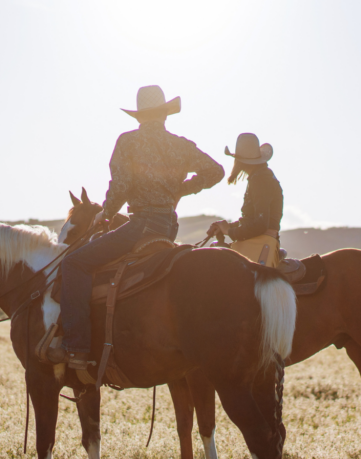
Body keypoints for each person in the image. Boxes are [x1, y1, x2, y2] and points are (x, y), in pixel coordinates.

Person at [48, 85, 224, 366]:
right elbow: (216, 170)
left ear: (139, 116)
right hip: (168, 227)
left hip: (140, 226)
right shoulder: (180, 145)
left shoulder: (129, 142)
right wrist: (183, 189)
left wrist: (104, 214)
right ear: (165, 114)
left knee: (74, 264)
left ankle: (76, 347)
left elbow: (121, 185)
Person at [210, 133, 284, 267]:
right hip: (261, 241)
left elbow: (260, 224)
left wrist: (229, 232)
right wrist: (227, 227)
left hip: (261, 243)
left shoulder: (260, 180)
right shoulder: (261, 177)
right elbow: (253, 220)